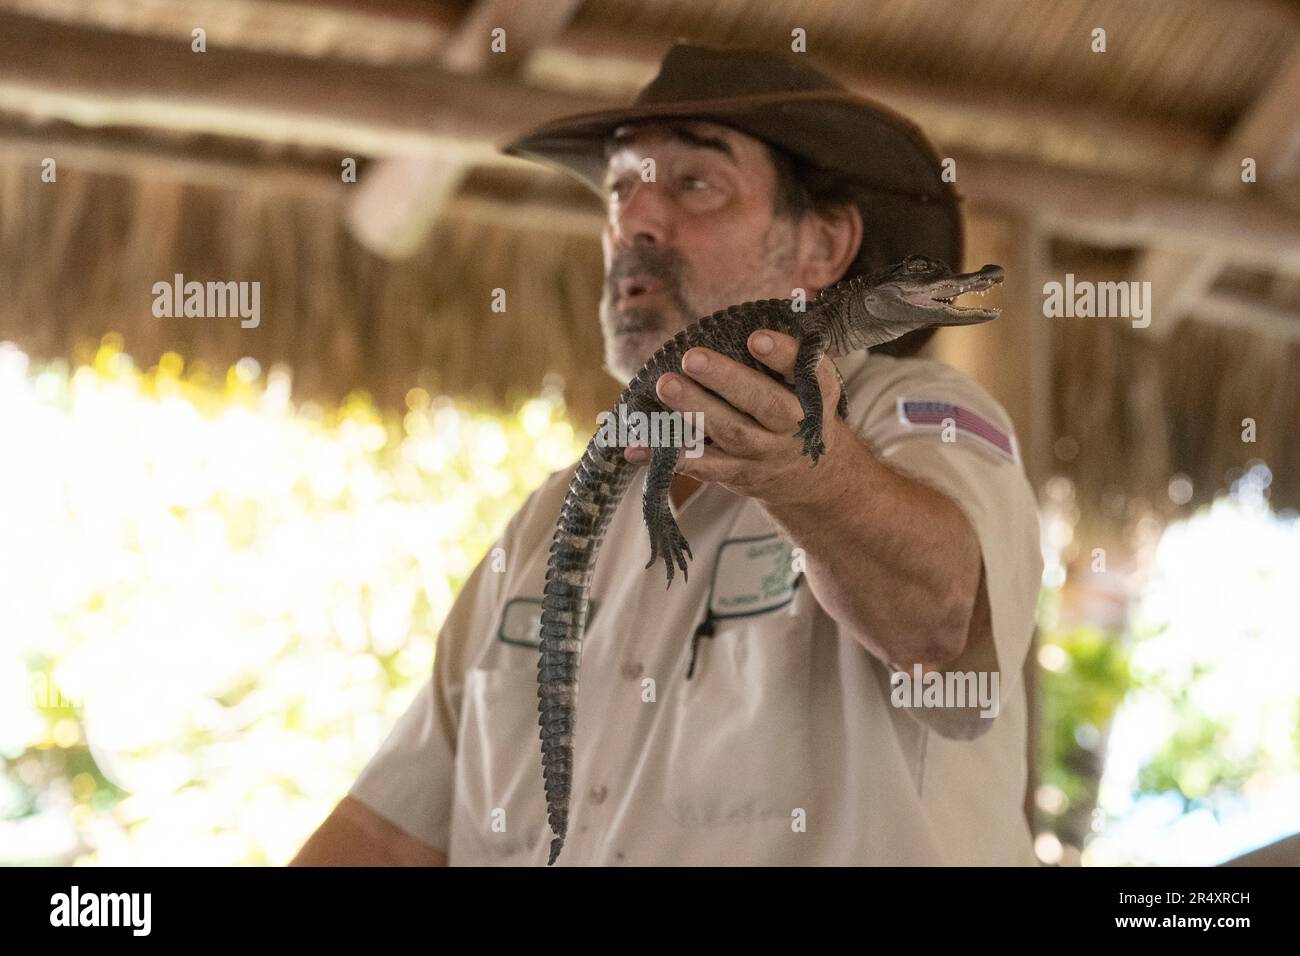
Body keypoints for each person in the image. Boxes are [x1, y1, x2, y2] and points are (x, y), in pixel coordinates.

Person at [292, 43, 1042, 867]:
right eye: (622, 188)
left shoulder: (916, 416)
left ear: (824, 248)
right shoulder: (549, 518)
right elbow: (386, 837)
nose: (635, 222)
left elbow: (943, 624)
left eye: (695, 183)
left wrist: (812, 479)